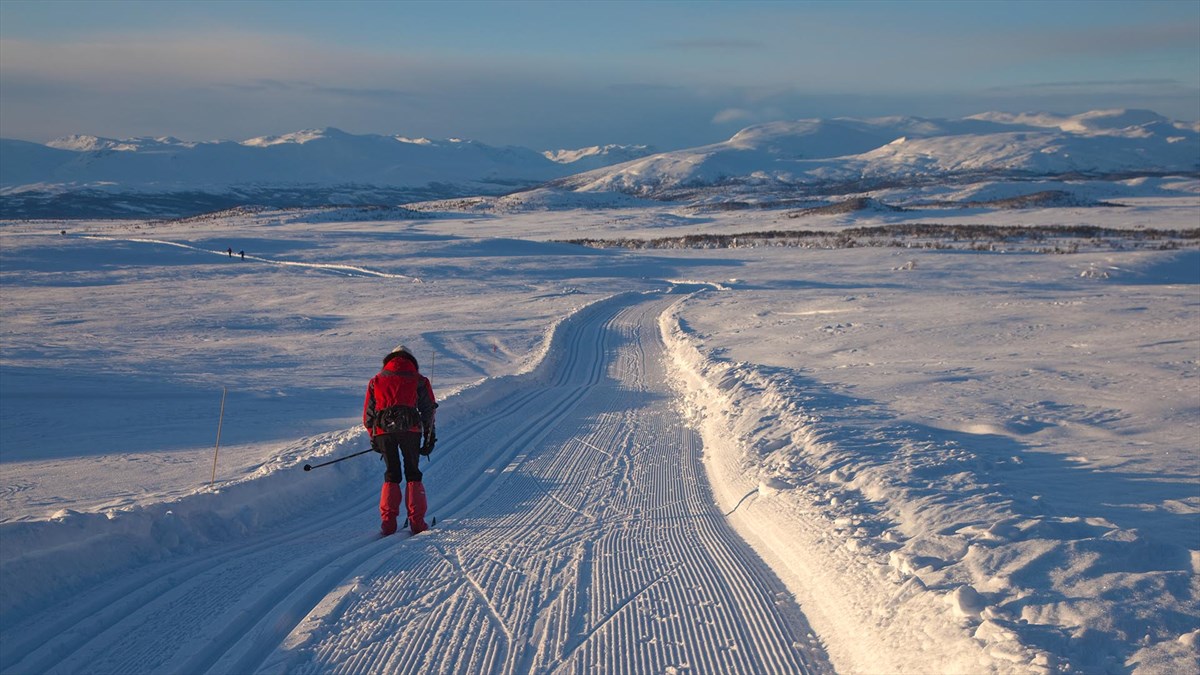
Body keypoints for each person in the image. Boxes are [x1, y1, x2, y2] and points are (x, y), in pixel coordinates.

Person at [363, 344, 437, 536]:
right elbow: (428, 411)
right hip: (411, 430)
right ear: (411, 360)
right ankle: (417, 523)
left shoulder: (376, 381)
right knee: (413, 473)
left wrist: (374, 438)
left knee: (391, 473)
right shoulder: (419, 380)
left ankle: (388, 524)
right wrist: (429, 437)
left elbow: (368, 415)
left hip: (383, 432)